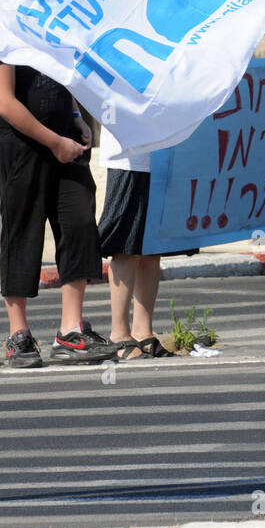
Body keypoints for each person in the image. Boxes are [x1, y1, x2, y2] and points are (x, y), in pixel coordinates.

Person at [0, 33, 115, 367]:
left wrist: (76, 117)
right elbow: (4, 103)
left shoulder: (49, 24)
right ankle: (19, 335)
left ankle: (70, 330)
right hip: (20, 147)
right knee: (22, 231)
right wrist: (55, 142)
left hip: (63, 141)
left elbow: (62, 76)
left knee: (80, 221)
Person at [95, 128, 178, 360]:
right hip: (128, 155)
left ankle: (144, 332)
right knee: (125, 245)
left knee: (152, 248)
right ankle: (119, 334)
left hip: (162, 152)